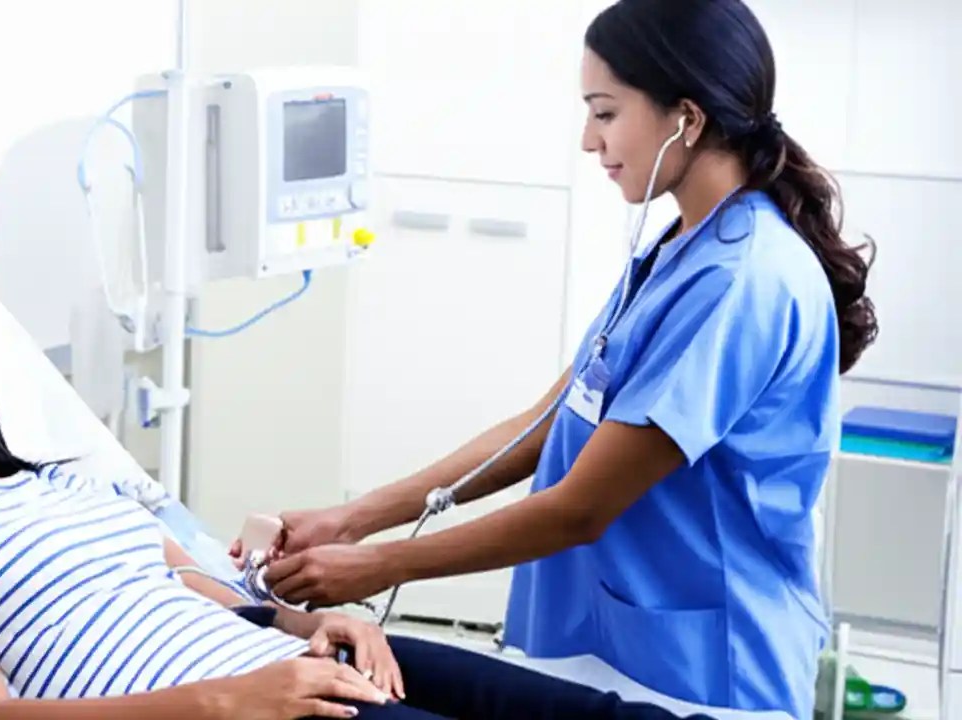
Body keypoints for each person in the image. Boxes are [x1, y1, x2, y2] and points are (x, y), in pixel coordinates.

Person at [247, 1, 879, 718]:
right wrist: (353, 520)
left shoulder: (743, 280)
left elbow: (582, 508)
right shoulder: (683, 245)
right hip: (614, 639)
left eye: (605, 113)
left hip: (705, 667)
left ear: (687, 118)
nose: (588, 140)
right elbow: (548, 421)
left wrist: (375, 565)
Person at [0, 273, 721, 720]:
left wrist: (312, 622)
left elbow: (209, 594)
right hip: (239, 711)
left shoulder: (69, 479)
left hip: (290, 667)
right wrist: (226, 702)